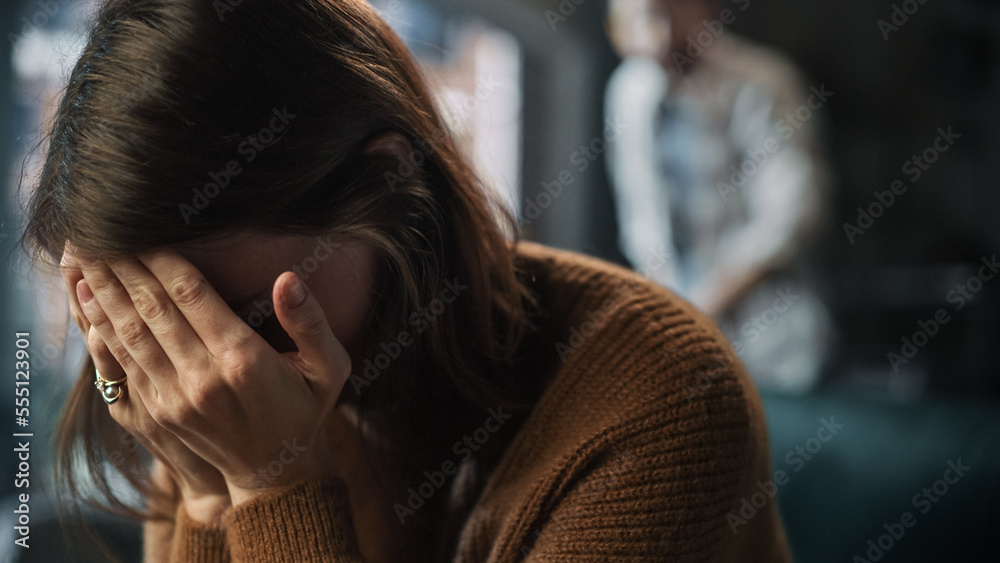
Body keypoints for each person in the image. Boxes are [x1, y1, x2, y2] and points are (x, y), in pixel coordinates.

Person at [22, 0, 790, 560]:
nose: (209, 375)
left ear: (389, 185)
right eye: (149, 326)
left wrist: (274, 488)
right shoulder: (214, 407)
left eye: (245, 319)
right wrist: (207, 490)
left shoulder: (660, 407)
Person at [606, 0, 834, 393]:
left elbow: (795, 212)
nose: (650, 39)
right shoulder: (627, 91)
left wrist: (706, 305)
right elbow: (640, 220)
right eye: (632, 22)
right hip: (681, 342)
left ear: (699, 9)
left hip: (773, 347)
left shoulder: (763, 81)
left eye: (660, 17)